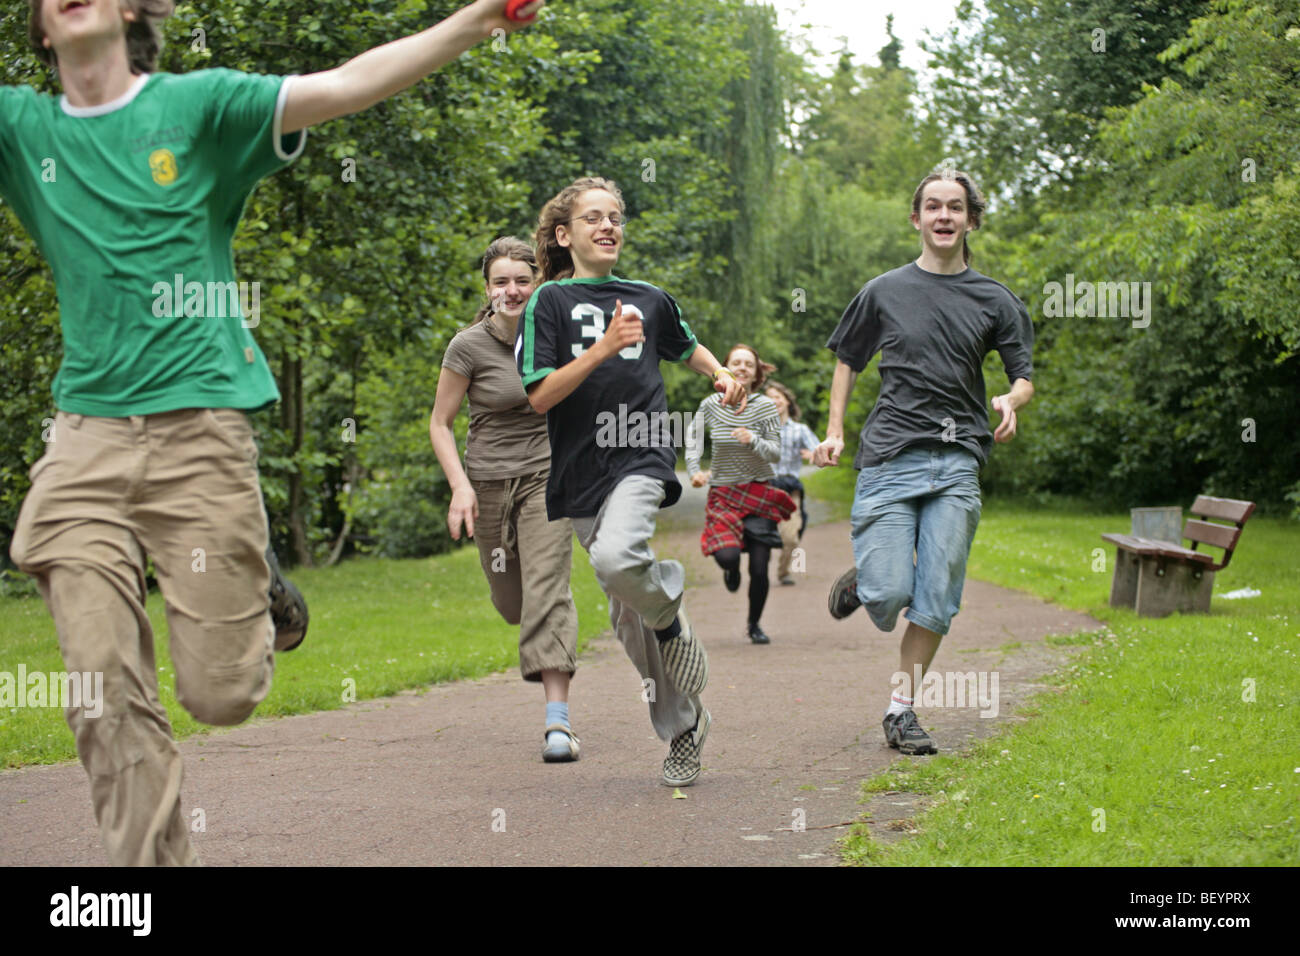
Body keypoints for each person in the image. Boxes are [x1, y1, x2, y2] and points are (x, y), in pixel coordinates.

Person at [3, 0, 546, 865]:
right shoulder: (21, 127)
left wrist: (475, 18)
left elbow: (348, 83)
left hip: (201, 438)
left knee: (221, 695)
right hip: (85, 442)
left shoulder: (201, 108)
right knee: (100, 691)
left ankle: (260, 601)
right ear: (36, 24)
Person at [516, 176, 747, 787]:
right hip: (580, 473)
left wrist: (720, 372)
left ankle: (670, 613)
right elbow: (540, 396)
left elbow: (687, 346)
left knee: (620, 560)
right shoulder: (549, 303)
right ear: (565, 235)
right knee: (625, 613)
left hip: (641, 450)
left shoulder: (649, 296)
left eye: (616, 216)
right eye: (593, 217)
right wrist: (603, 348)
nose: (608, 226)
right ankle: (685, 728)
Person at [814, 165, 1035, 757]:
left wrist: (1011, 400)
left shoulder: (994, 299)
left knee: (936, 598)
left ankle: (901, 711)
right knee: (890, 597)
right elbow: (848, 360)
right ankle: (869, 582)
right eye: (933, 206)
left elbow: (1023, 375)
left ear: (969, 219)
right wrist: (835, 430)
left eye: (955, 207)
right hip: (890, 455)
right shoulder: (883, 290)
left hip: (958, 458)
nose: (944, 216)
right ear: (916, 218)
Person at [430, 237, 580, 762]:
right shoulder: (467, 346)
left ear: (537, 283)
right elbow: (440, 423)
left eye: (523, 279)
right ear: (488, 288)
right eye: (502, 281)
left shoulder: (558, 338)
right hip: (489, 482)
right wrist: (460, 487)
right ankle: (542, 621)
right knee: (513, 603)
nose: (512, 290)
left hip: (547, 476)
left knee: (547, 589)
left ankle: (557, 724)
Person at [686, 344, 794, 645]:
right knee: (728, 557)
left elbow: (775, 453)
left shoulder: (766, 407)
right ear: (725, 368)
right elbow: (693, 439)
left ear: (757, 373)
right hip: (724, 494)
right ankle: (730, 570)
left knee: (760, 569)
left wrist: (753, 439)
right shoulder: (710, 405)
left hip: (759, 492)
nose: (743, 368)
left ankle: (754, 624)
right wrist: (694, 469)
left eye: (749, 364)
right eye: (737, 362)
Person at [764, 380, 818, 586]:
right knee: (754, 538)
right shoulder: (757, 427)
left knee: (791, 538)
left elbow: (817, 449)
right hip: (763, 487)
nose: (774, 400)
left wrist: (813, 455)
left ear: (787, 401)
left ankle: (783, 572)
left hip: (789, 489)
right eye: (769, 397)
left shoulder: (800, 430)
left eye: (778, 396)